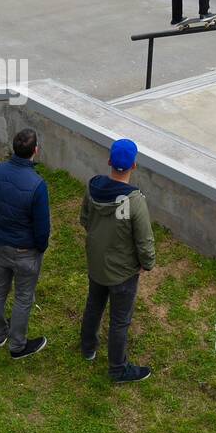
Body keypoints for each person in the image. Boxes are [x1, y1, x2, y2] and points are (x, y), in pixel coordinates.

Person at [80, 138, 156, 384]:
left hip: (96, 263)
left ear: (110, 161)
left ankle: (88, 347)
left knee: (94, 304)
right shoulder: (134, 201)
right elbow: (144, 240)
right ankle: (117, 369)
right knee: (120, 320)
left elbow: (85, 219)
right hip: (122, 272)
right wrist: (148, 263)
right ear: (134, 165)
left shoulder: (93, 188)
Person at [0, 128, 51, 359]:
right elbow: (42, 228)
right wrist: (39, 248)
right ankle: (18, 346)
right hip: (26, 251)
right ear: (35, 150)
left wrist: (0, 229)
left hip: (1, 244)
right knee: (23, 297)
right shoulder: (37, 185)